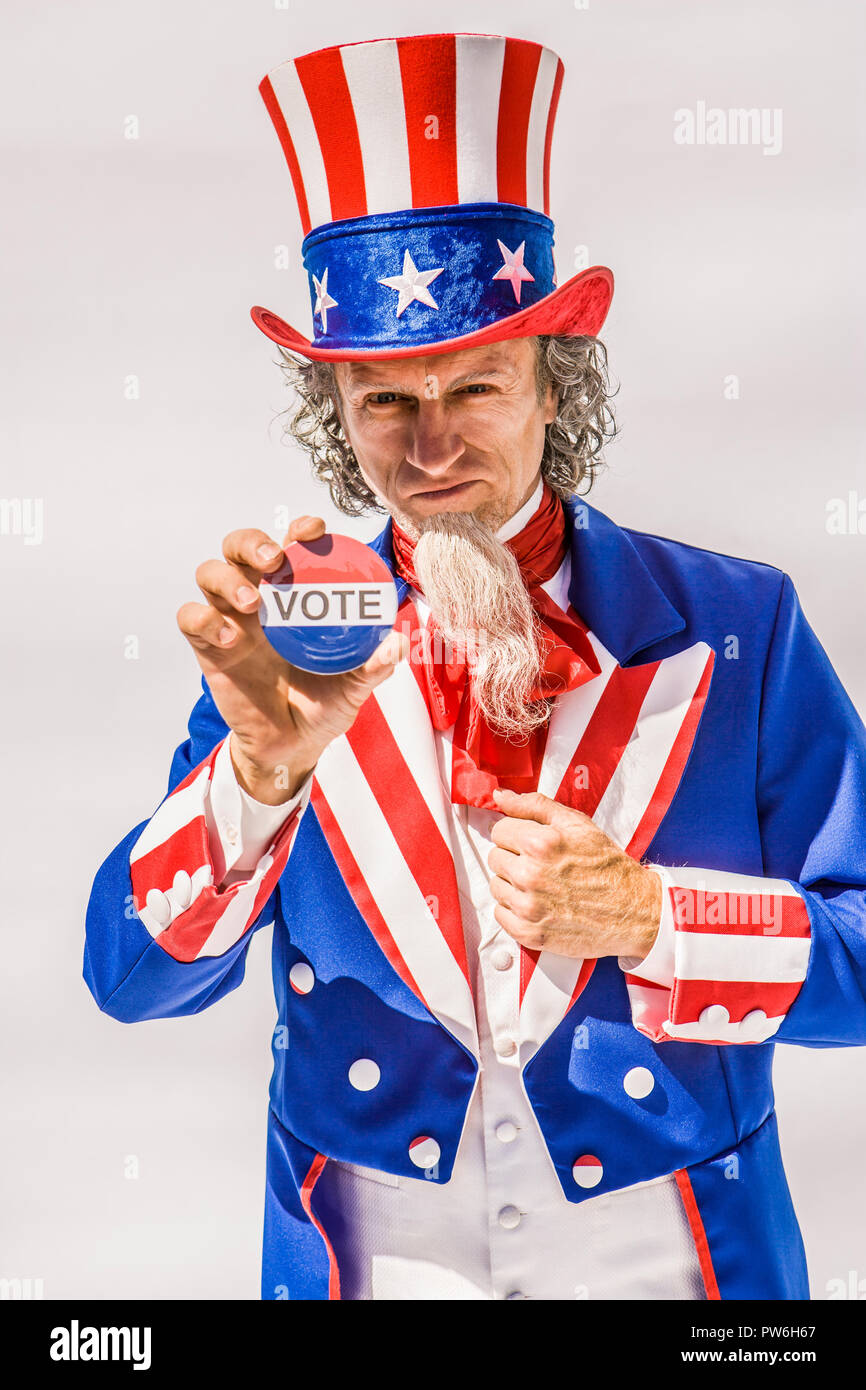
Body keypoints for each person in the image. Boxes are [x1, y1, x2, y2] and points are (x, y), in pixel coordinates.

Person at [84, 32, 866, 1301]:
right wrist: (257, 776)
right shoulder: (282, 635)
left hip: (684, 1273)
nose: (430, 442)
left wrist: (650, 917)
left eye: (476, 387)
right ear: (334, 413)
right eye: (386, 399)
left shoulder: (742, 625)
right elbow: (129, 982)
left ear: (556, 388)